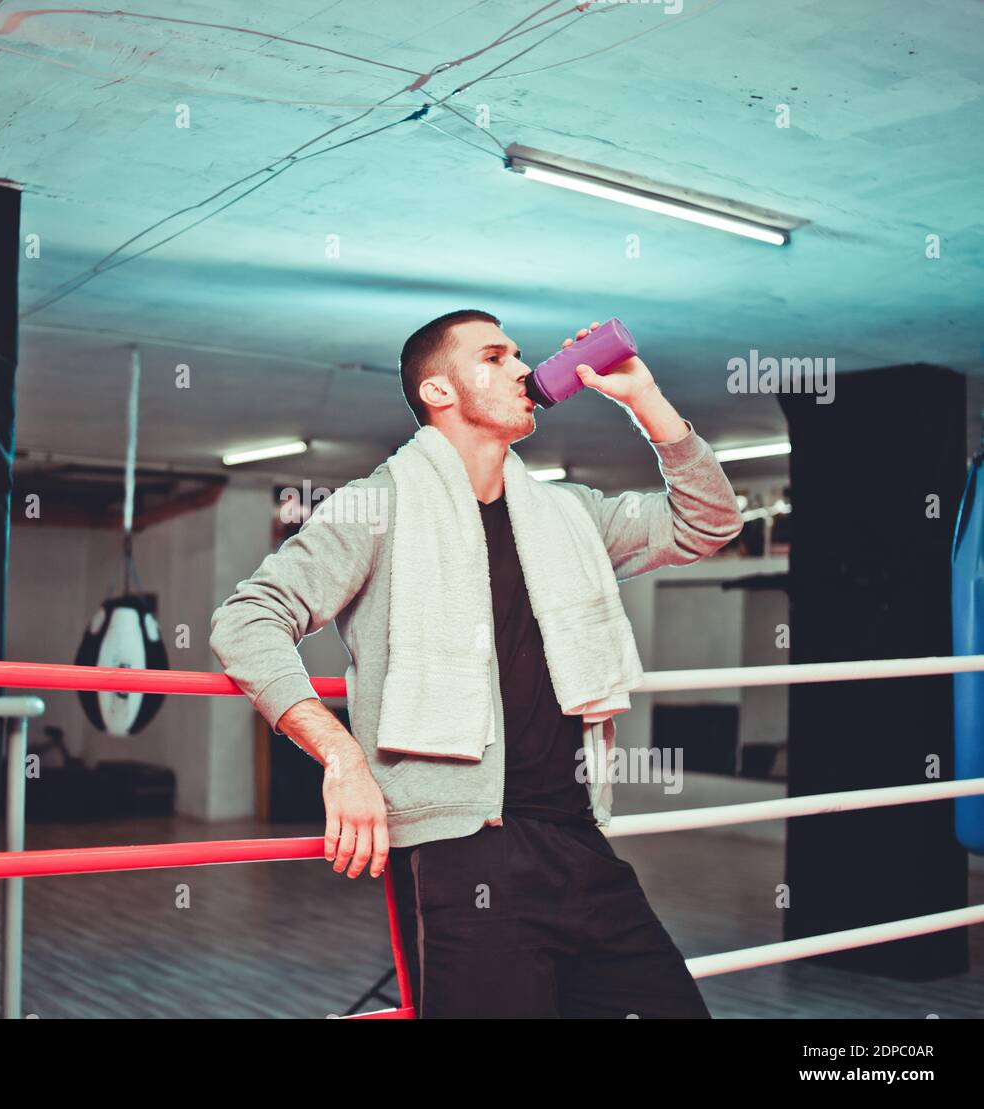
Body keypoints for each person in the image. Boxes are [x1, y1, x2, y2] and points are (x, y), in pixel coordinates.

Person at [209, 309, 743, 1017]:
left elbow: (708, 520)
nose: (524, 368)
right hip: (462, 849)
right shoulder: (379, 505)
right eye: (494, 357)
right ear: (439, 392)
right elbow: (247, 619)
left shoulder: (568, 515)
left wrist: (645, 400)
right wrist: (341, 756)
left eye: (520, 354)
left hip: (578, 838)